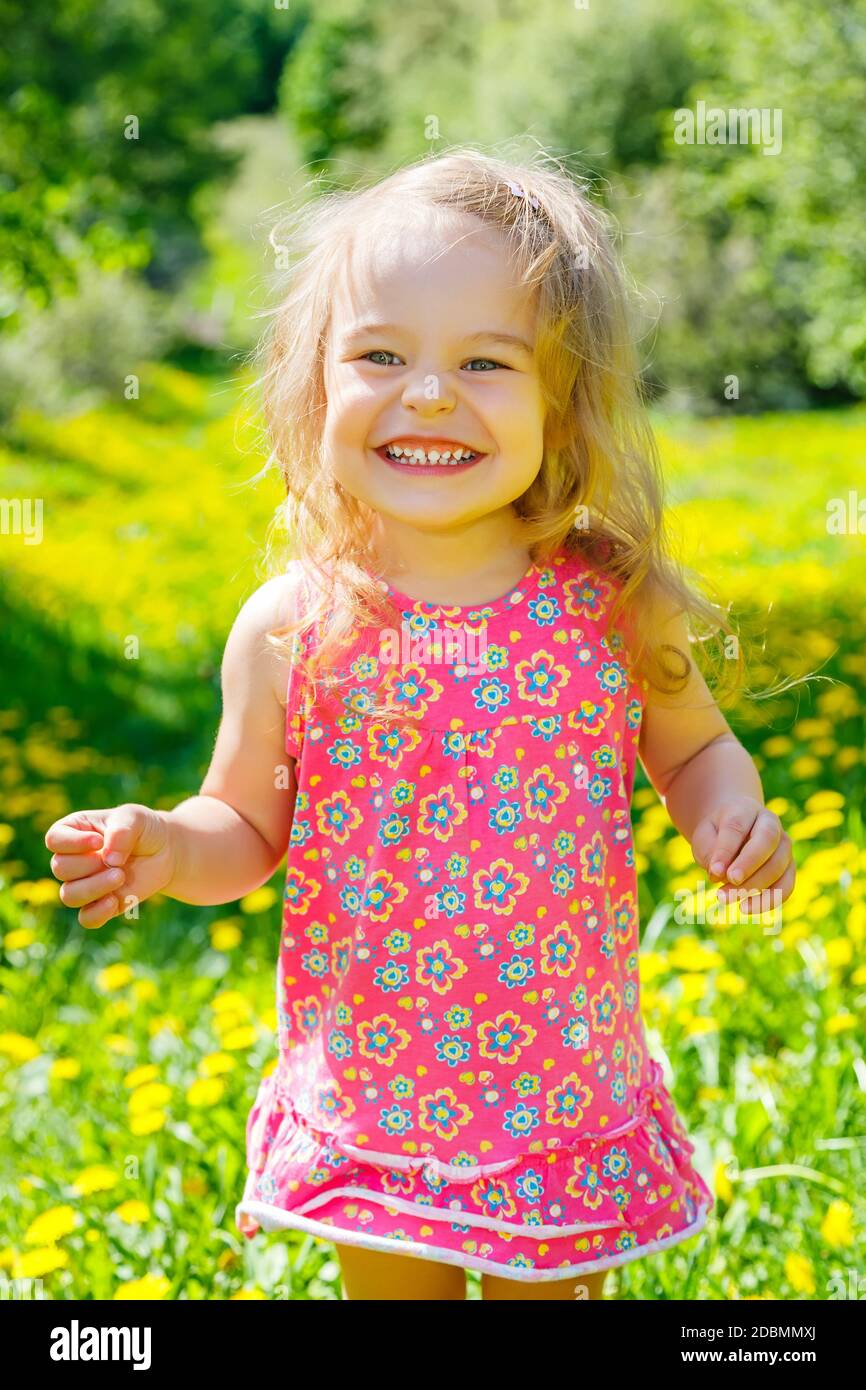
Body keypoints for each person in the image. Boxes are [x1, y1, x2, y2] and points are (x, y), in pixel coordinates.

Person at [45, 146, 798, 1301]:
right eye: (381, 355)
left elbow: (691, 746)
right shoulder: (294, 626)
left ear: (564, 393)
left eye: (484, 362)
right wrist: (167, 845)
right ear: (316, 386)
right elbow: (243, 823)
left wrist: (728, 816)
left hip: (559, 1092)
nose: (429, 393)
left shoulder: (605, 598)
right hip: (379, 1096)